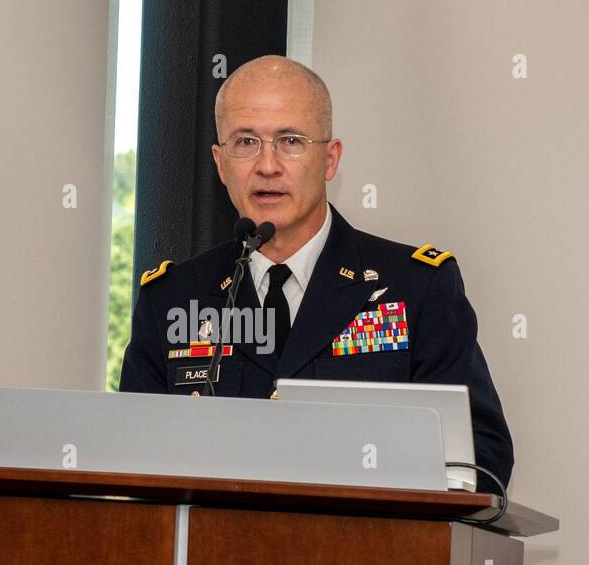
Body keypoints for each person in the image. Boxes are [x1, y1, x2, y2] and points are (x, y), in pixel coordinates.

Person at [119, 55, 513, 493]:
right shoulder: (174, 299)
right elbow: (128, 460)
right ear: (220, 162)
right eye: (246, 142)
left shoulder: (417, 288)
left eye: (290, 141)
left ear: (330, 159)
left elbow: (483, 462)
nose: (267, 165)